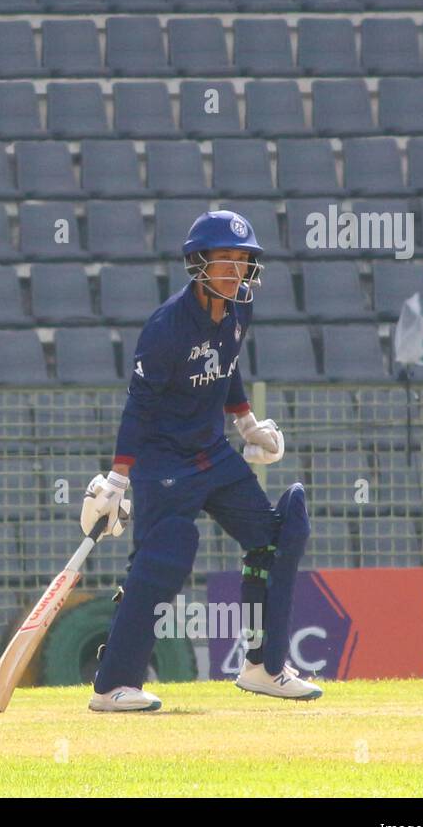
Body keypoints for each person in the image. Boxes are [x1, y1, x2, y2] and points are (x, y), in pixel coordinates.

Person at [81, 211, 321, 712]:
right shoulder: (166, 328)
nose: (235, 270)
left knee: (275, 538)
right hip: (163, 459)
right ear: (198, 264)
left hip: (213, 453)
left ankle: (264, 666)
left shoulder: (238, 310)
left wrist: (247, 424)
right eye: (225, 260)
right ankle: (113, 686)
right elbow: (138, 405)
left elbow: (225, 367)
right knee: (165, 555)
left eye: (243, 260)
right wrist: (117, 480)